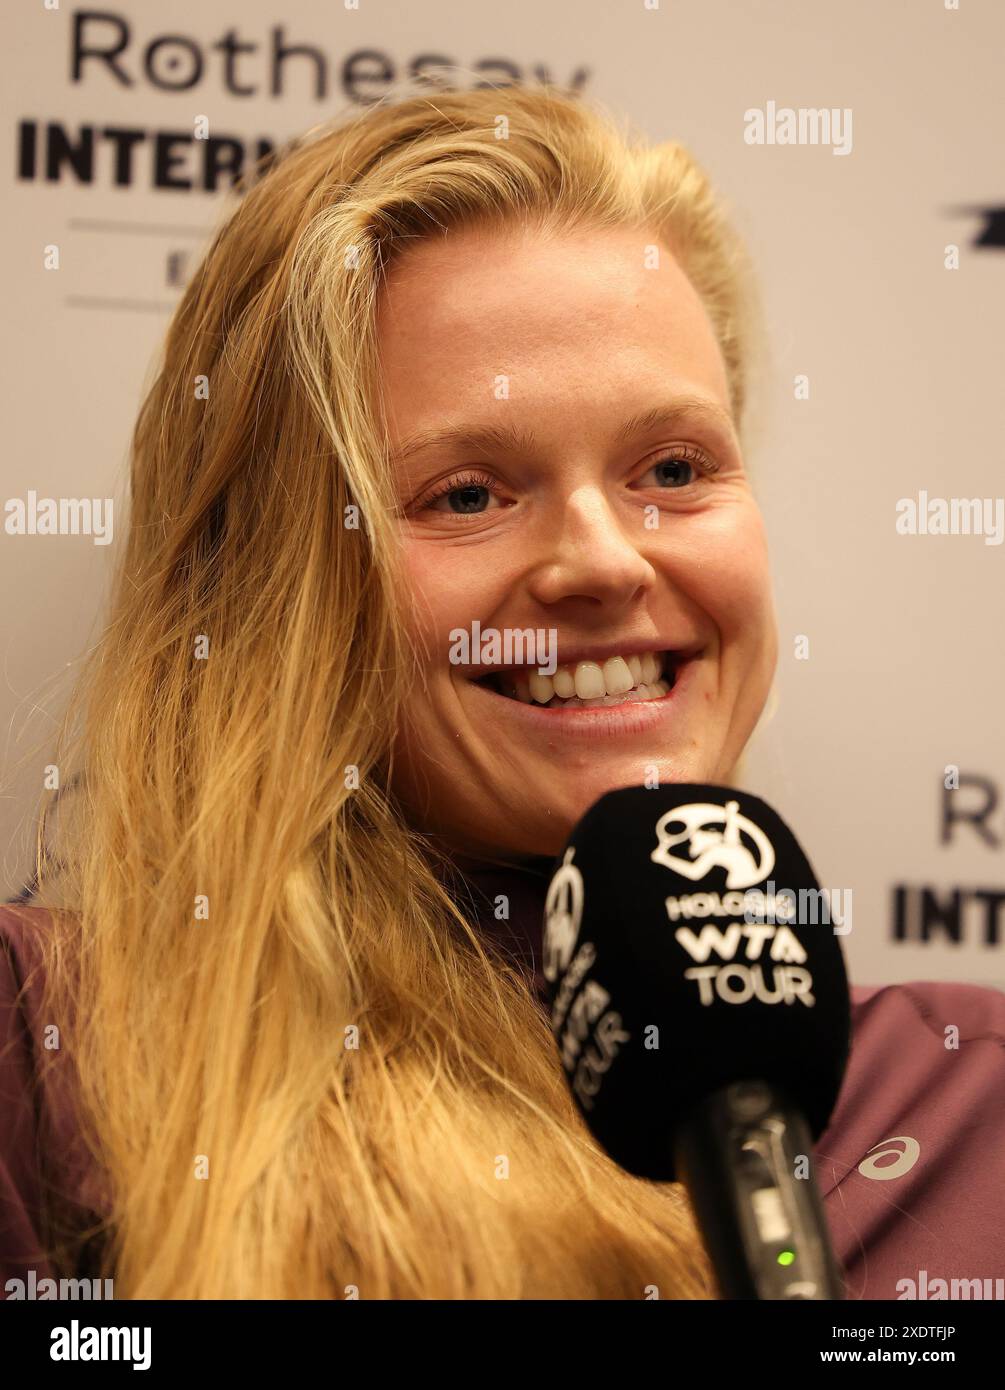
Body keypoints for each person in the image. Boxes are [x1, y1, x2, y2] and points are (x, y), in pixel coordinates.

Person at [2, 83, 1002, 1301]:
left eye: (673, 468)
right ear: (264, 583)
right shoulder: (45, 1053)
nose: (605, 559)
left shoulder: (972, 1094)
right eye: (468, 492)